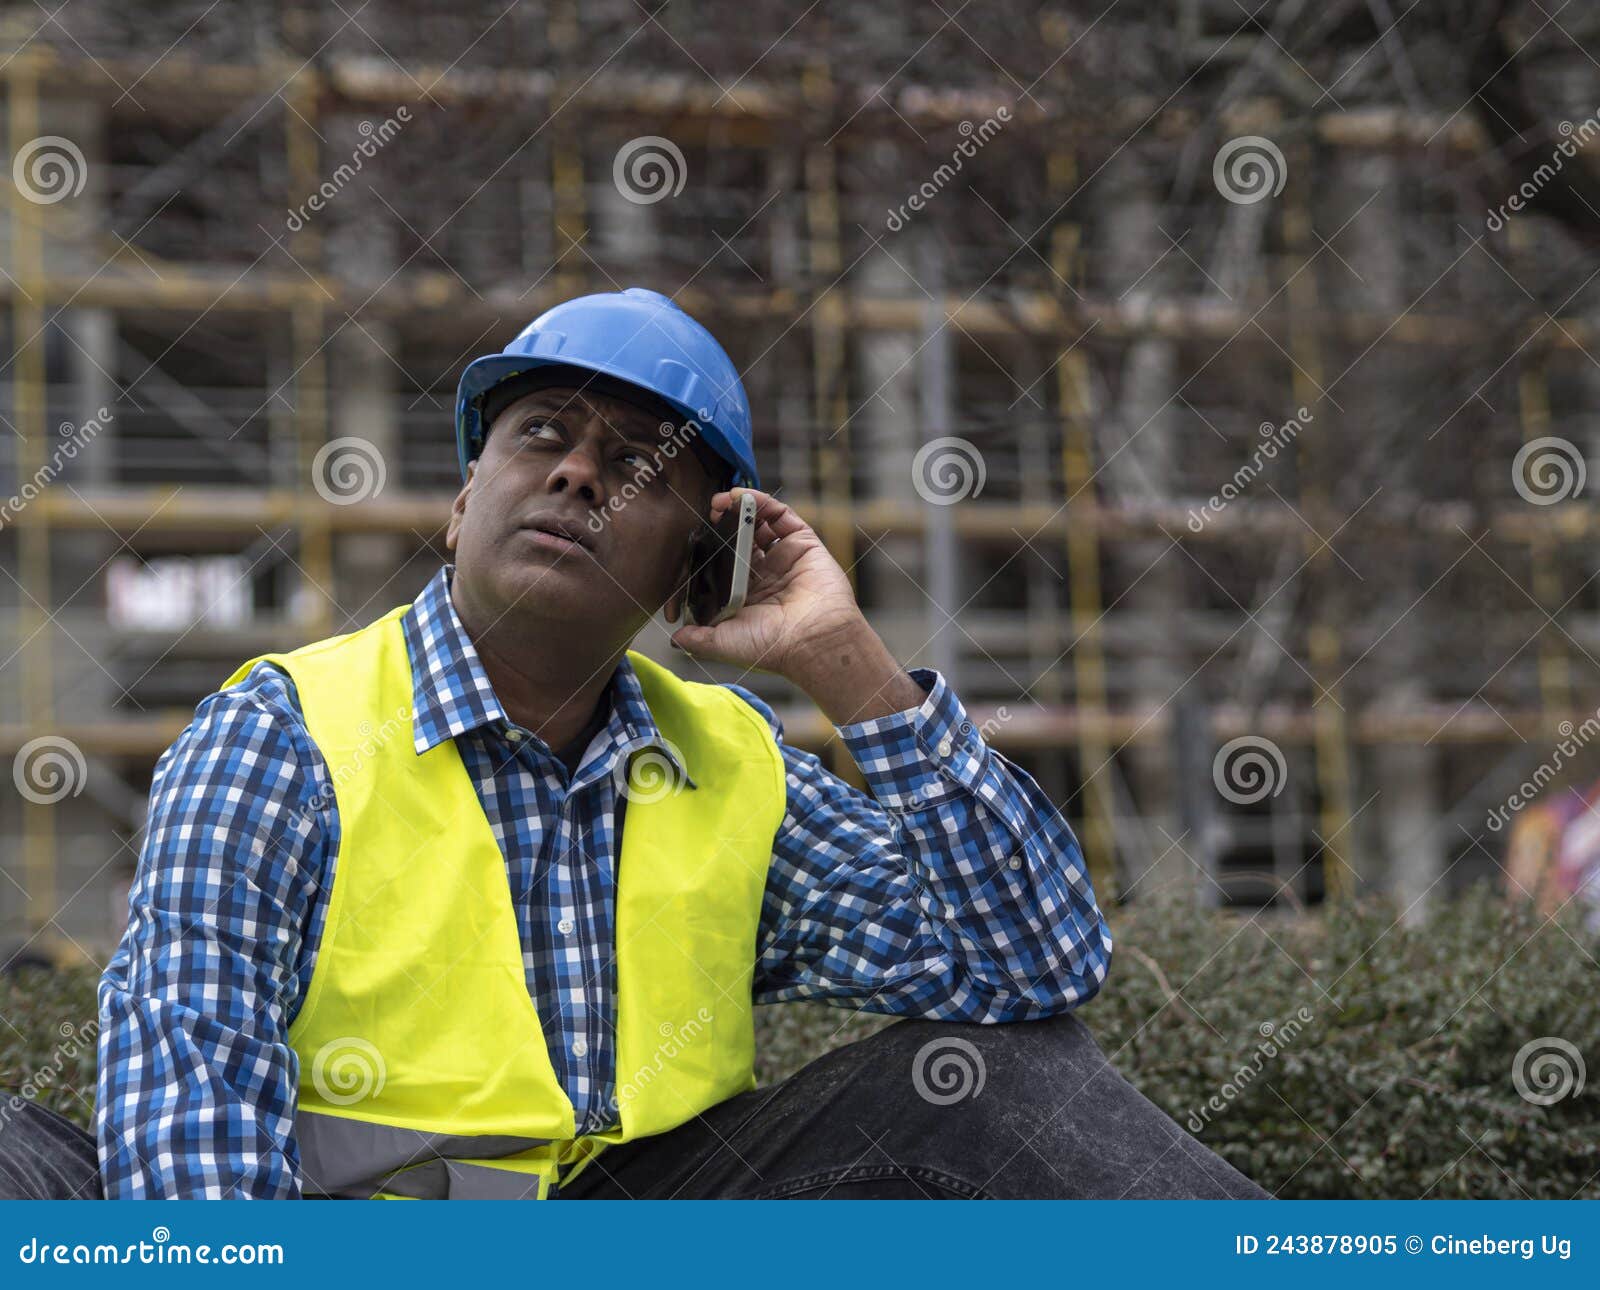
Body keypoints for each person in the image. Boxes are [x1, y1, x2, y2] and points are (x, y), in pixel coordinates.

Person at [0, 288, 1267, 1200]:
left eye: (634, 467)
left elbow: (1032, 970)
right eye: (541, 434)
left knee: (990, 1081)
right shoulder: (281, 737)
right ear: (459, 503)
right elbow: (194, 1131)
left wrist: (849, 667)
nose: (575, 475)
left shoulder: (732, 760)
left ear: (694, 564)